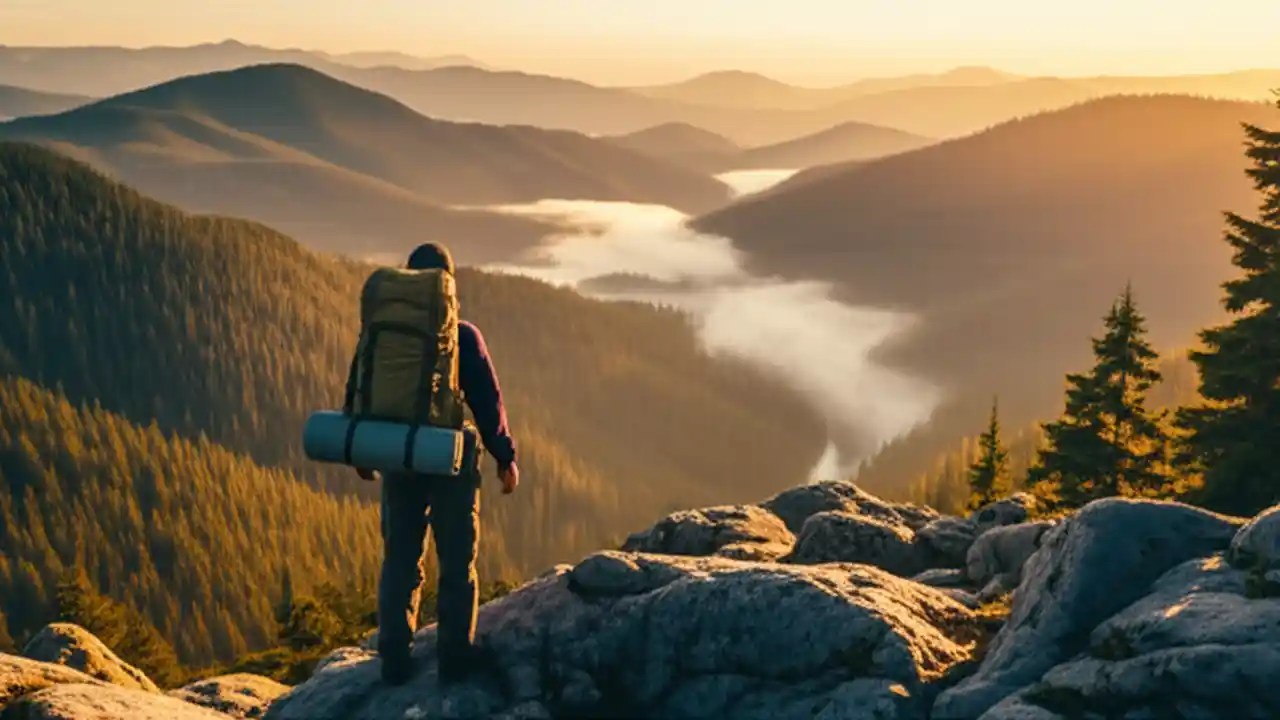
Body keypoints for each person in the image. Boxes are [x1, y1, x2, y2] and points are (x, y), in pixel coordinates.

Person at [356, 242, 519, 686]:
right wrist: (505, 456)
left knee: (401, 560)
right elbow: (487, 401)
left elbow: (364, 385)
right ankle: (454, 657)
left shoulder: (385, 330)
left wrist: (365, 448)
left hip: (399, 455)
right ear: (447, 284)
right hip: (449, 460)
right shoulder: (461, 335)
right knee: (456, 561)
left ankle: (393, 658)